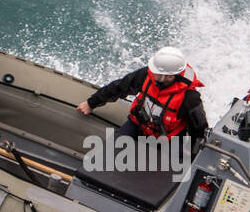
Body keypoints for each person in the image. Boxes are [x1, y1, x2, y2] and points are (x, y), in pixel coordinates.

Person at [75, 46, 208, 145]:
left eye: (156, 71)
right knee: (113, 151)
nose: (151, 71)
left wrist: (193, 152)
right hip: (137, 125)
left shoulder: (190, 98)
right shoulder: (146, 75)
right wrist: (91, 103)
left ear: (170, 76)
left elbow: (198, 128)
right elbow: (119, 87)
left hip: (167, 140)